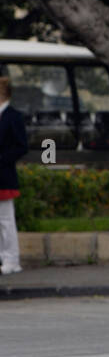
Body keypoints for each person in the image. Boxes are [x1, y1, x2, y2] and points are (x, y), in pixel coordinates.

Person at [0, 75, 29, 275]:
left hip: (3, 175)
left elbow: (21, 146)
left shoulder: (13, 116)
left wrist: (2, 159)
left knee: (6, 220)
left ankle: (12, 259)